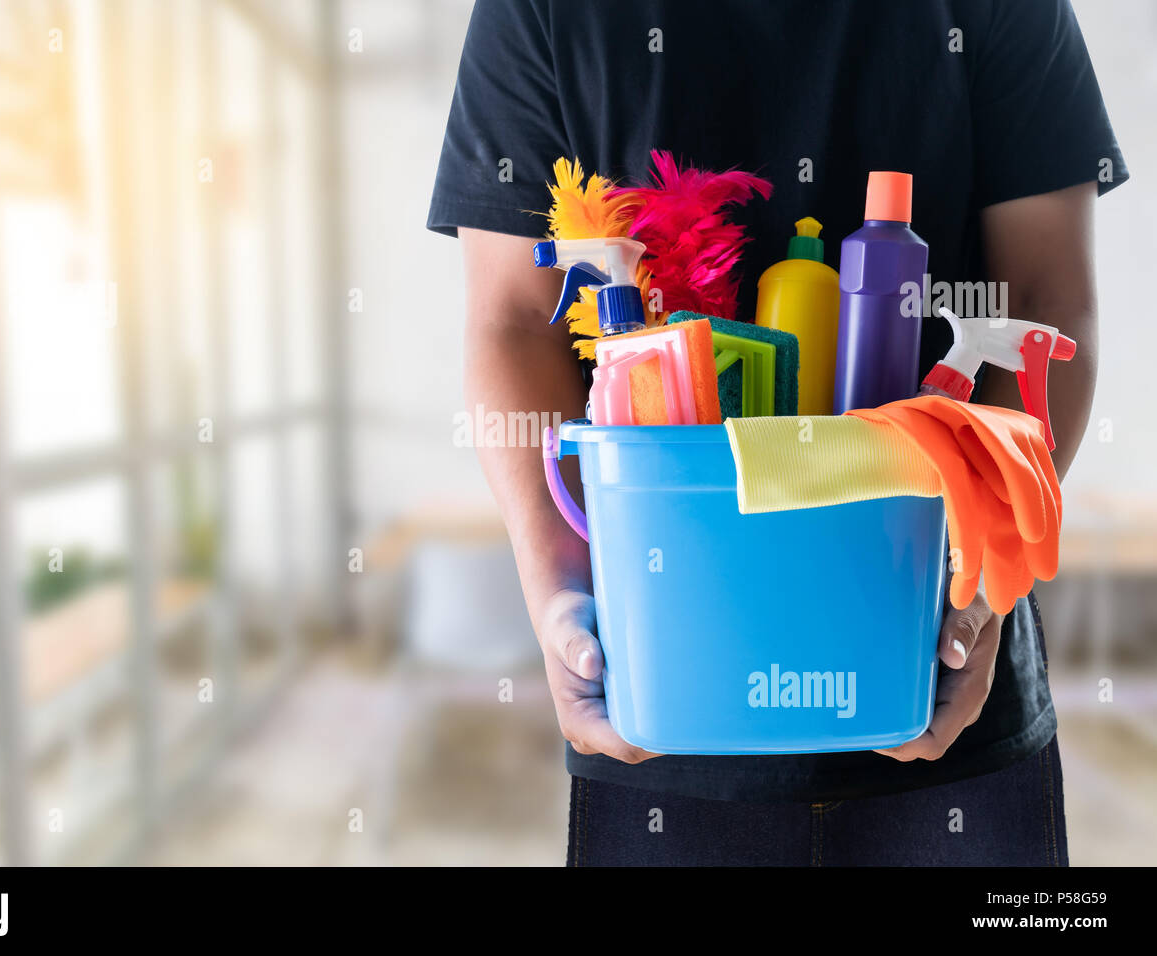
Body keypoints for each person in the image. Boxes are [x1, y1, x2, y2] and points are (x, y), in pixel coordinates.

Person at [427, 0, 1127, 865]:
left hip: (949, 705)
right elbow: (516, 318)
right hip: (668, 712)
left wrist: (987, 583)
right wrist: (560, 595)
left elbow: (1049, 302)